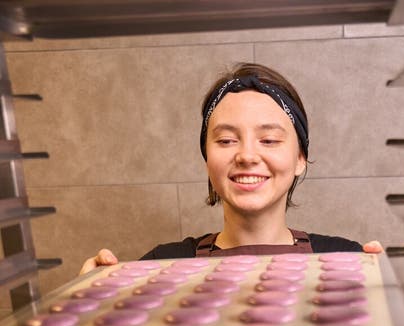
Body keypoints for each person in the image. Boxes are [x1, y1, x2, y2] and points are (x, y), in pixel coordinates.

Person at [80, 62, 382, 273]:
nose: (247, 155)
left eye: (269, 140)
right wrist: (92, 305)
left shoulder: (345, 261)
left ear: (300, 158)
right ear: (207, 159)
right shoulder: (161, 265)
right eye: (226, 140)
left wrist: (392, 300)